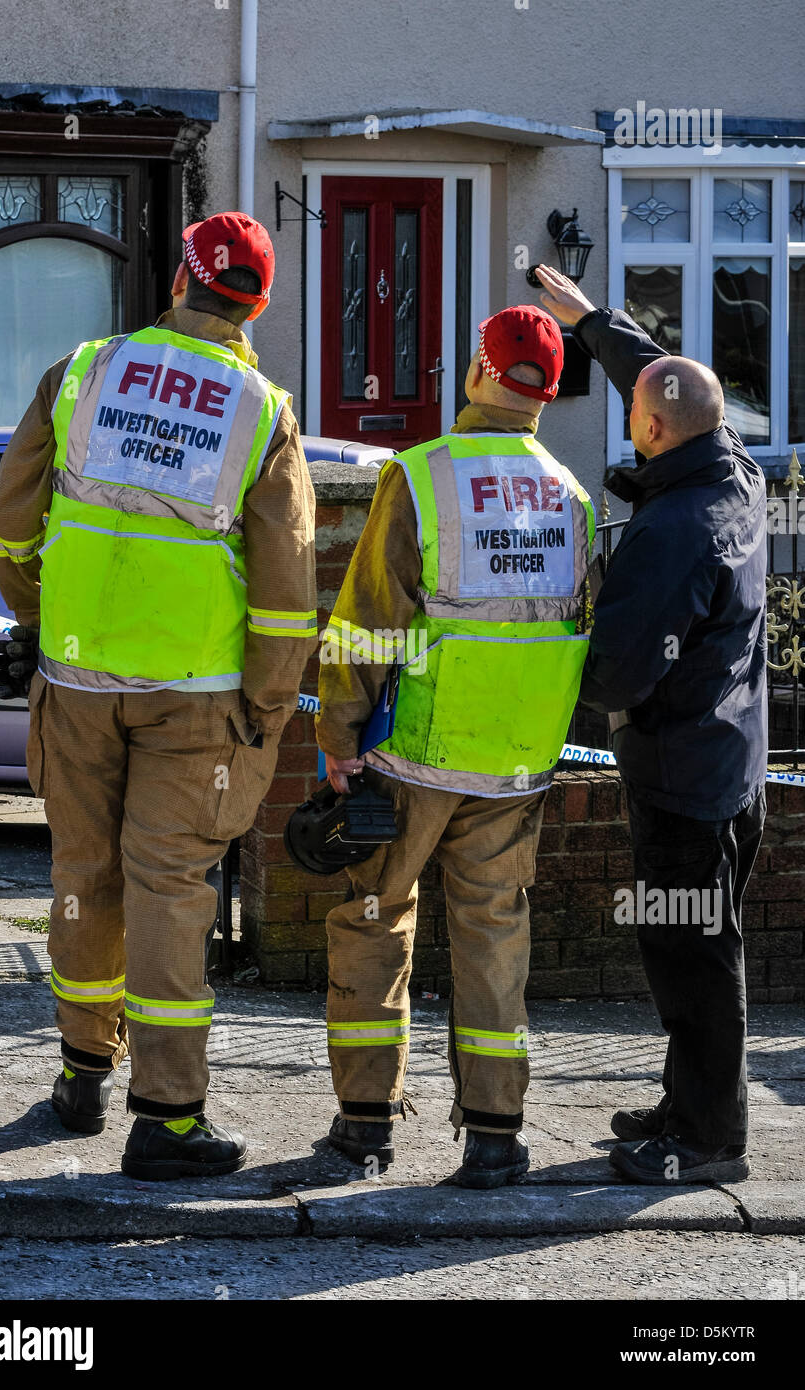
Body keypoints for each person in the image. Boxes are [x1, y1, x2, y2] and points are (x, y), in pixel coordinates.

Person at [0, 212, 317, 1180]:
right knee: (171, 891)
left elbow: (9, 528)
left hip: (77, 685)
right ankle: (166, 1118)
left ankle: (83, 1073)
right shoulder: (260, 407)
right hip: (198, 697)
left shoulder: (82, 369)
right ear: (256, 302)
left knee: (85, 877)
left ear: (180, 276)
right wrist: (266, 702)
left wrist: (46, 621)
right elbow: (286, 589)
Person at [315, 305, 595, 1187]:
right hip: (516, 763)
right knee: (494, 937)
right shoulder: (574, 498)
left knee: (371, 923)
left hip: (414, 757)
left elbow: (368, 620)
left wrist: (338, 734)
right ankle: (496, 1136)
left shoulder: (423, 477)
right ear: (547, 394)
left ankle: (364, 1129)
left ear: (478, 371)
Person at [535, 263, 767, 1186]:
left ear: (650, 430)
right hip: (728, 766)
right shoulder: (734, 467)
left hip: (683, 782)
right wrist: (595, 322)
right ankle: (691, 1103)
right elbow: (667, 375)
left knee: (690, 956)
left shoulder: (673, 534)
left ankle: (709, 1141)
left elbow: (616, 671)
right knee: (694, 945)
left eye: (637, 411)